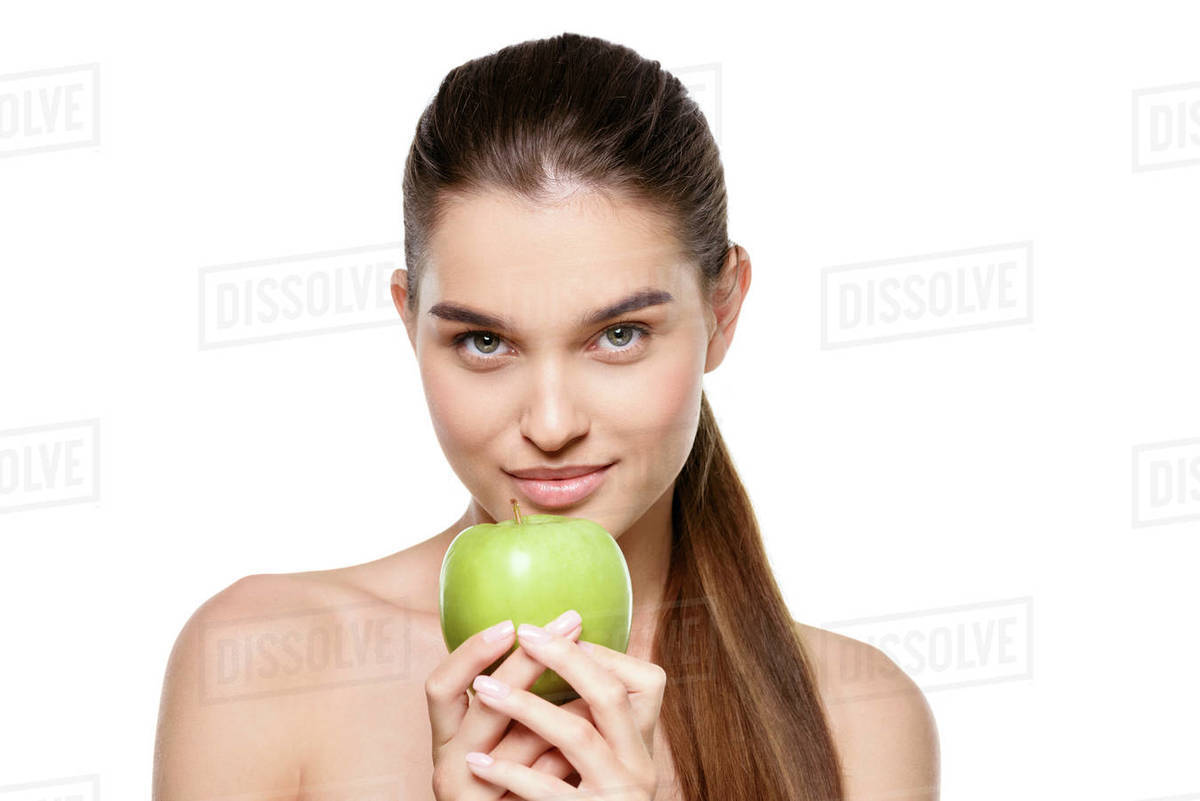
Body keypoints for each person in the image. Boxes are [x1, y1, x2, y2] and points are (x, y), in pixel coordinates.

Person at [153, 32, 939, 801]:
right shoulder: (263, 665)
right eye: (484, 340)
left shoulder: (857, 721)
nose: (552, 422)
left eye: (619, 335)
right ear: (409, 322)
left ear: (723, 310)